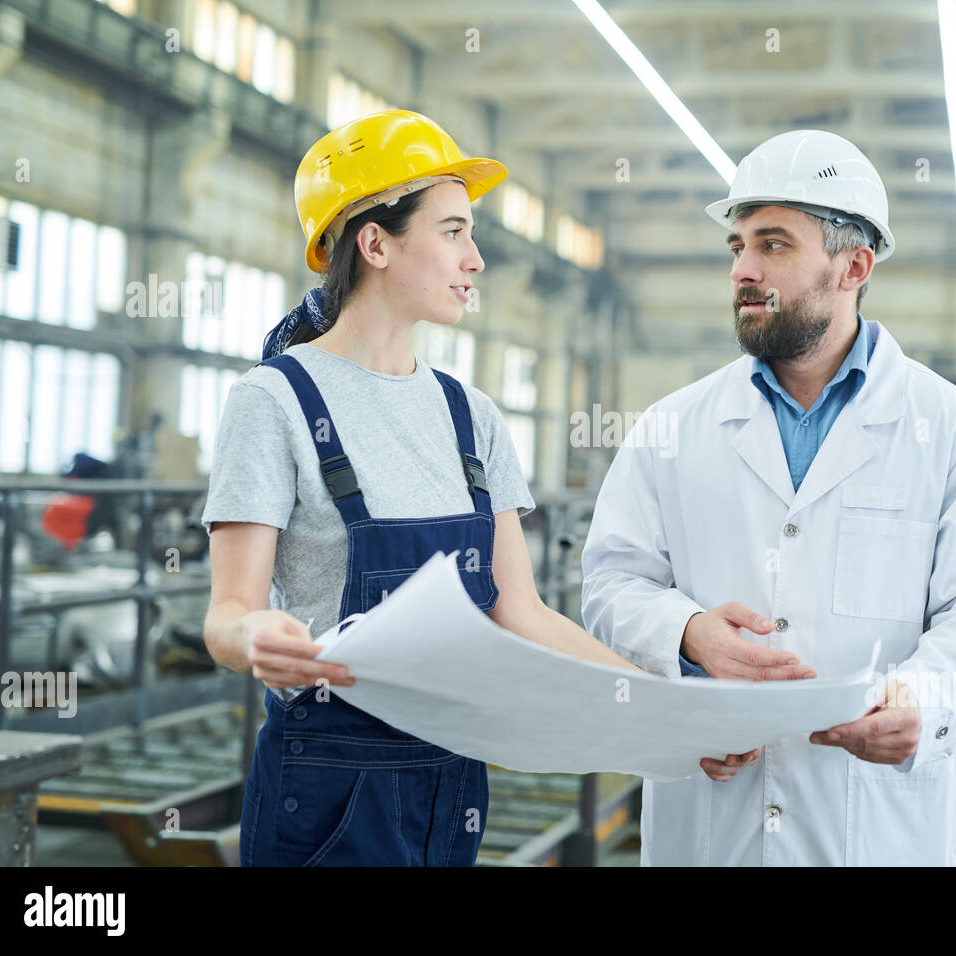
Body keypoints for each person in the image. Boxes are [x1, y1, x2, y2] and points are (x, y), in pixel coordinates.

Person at [580, 129, 956, 866]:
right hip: (710, 821)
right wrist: (689, 634)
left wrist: (924, 702)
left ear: (854, 265)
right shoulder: (672, 427)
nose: (744, 270)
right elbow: (611, 582)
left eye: (774, 246)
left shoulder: (954, 432)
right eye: (737, 247)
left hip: (873, 828)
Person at [201, 109, 641, 867]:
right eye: (452, 231)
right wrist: (254, 640)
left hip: (453, 774)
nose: (475, 259)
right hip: (327, 789)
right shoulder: (274, 401)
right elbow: (227, 615)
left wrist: (662, 703)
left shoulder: (472, 417)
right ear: (375, 243)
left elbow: (521, 612)